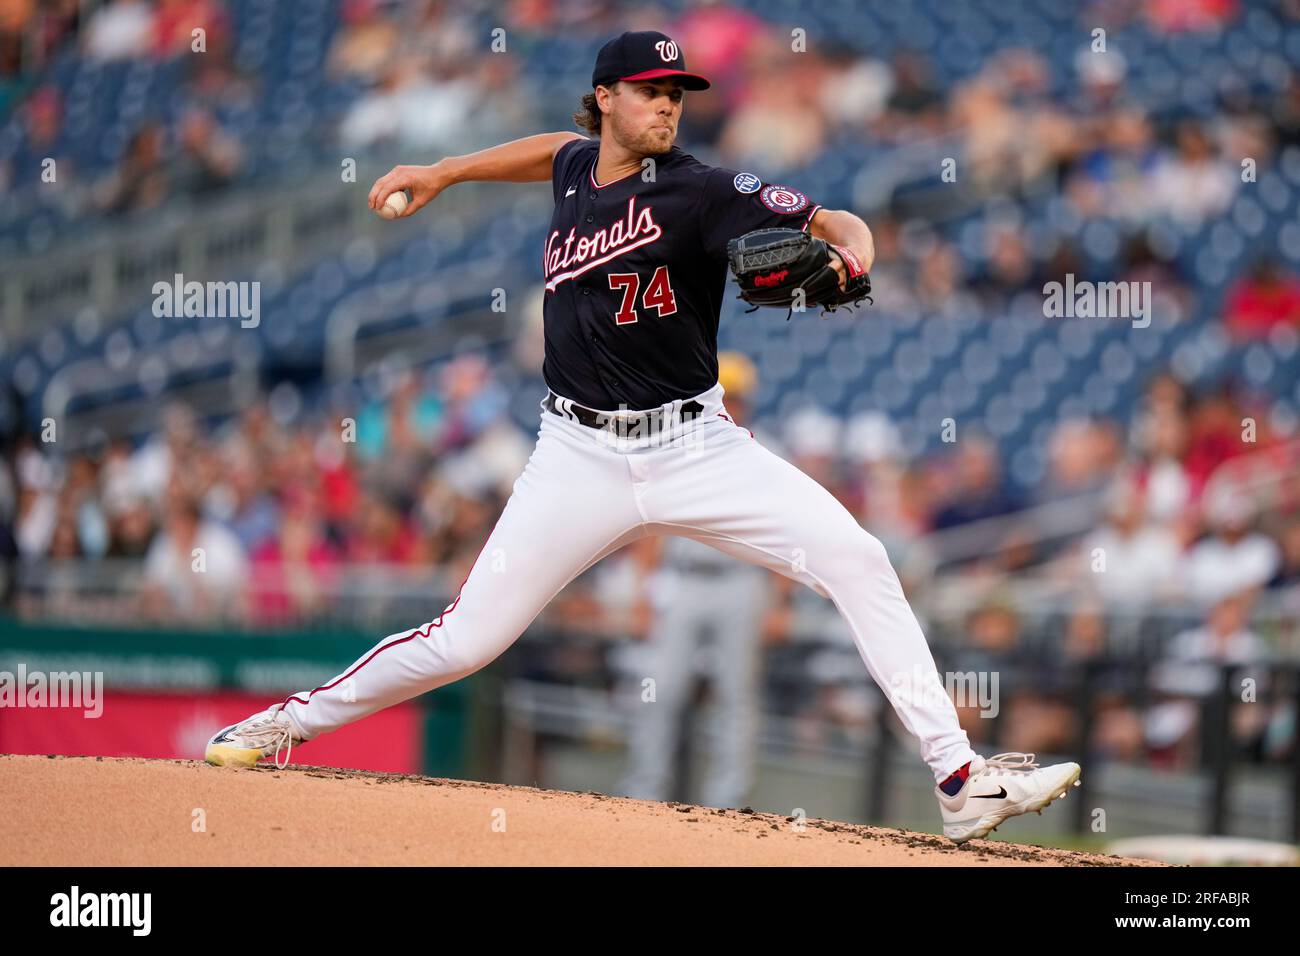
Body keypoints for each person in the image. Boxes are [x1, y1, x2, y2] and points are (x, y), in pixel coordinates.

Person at [206, 30, 1080, 844]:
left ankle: (959, 780)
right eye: (650, 90)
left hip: (695, 448)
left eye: (678, 92)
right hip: (576, 456)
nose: (668, 104)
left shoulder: (701, 191)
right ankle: (283, 722)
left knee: (858, 557)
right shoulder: (576, 168)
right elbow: (550, 150)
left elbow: (836, 224)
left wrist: (855, 259)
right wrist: (444, 171)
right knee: (467, 641)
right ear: (605, 99)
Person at [617, 352, 778, 809]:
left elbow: (782, 532)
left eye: (737, 396)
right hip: (683, 581)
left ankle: (729, 802)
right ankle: (643, 790)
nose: (730, 403)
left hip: (741, 581)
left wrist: (780, 599)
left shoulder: (762, 453)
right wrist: (643, 594)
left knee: (736, 696)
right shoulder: (676, 449)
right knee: (659, 688)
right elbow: (651, 527)